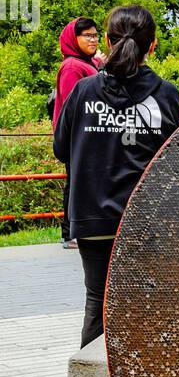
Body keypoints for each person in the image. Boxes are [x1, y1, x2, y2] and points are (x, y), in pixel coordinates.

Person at [53, 4, 179, 347]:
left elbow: (61, 149)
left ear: (109, 42)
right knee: (144, 309)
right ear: (152, 44)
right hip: (144, 225)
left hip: (92, 220)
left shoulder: (84, 92)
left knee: (97, 307)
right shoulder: (167, 96)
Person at [53, 18, 103, 248]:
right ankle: (69, 234)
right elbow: (72, 106)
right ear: (74, 39)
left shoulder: (88, 62)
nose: (93, 40)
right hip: (77, 136)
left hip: (87, 135)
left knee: (79, 180)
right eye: (87, 36)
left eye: (95, 35)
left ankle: (73, 232)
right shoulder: (72, 67)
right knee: (75, 182)